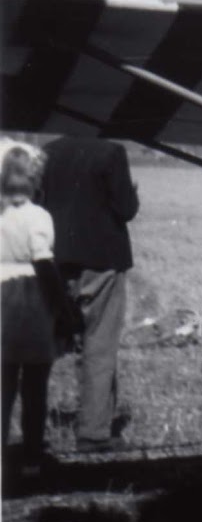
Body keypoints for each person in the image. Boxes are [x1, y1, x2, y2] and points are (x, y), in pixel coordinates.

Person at [37, 136, 139, 452]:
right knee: (99, 345)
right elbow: (126, 209)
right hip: (103, 260)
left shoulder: (48, 151)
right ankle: (93, 432)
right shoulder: (112, 152)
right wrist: (133, 194)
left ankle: (31, 432)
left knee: (42, 348)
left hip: (55, 259)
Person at [1, 143, 81, 474]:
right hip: (29, 300)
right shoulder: (38, 217)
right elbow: (44, 264)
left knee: (3, 385)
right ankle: (33, 455)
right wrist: (64, 310)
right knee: (35, 385)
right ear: (34, 180)